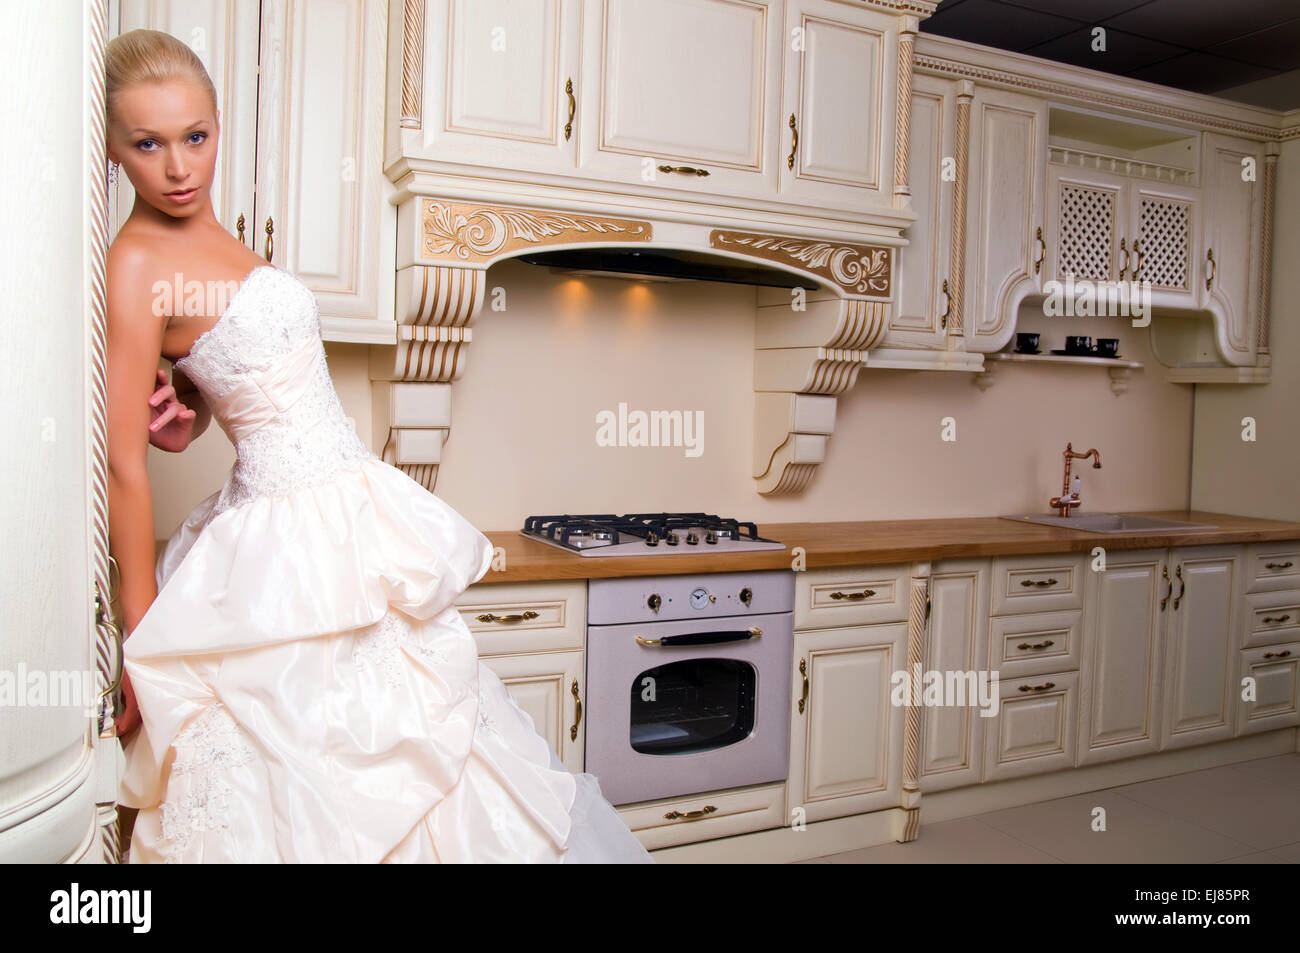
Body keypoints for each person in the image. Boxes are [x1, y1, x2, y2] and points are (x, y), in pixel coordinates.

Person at [104, 28, 653, 863]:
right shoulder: (135, 262)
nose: (178, 167)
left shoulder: (223, 238)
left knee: (436, 750)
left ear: (218, 126)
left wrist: (190, 411)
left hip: (350, 512)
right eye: (147, 144)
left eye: (195, 137)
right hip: (279, 546)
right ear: (114, 150)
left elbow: (215, 382)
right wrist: (143, 644)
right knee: (304, 779)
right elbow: (120, 461)